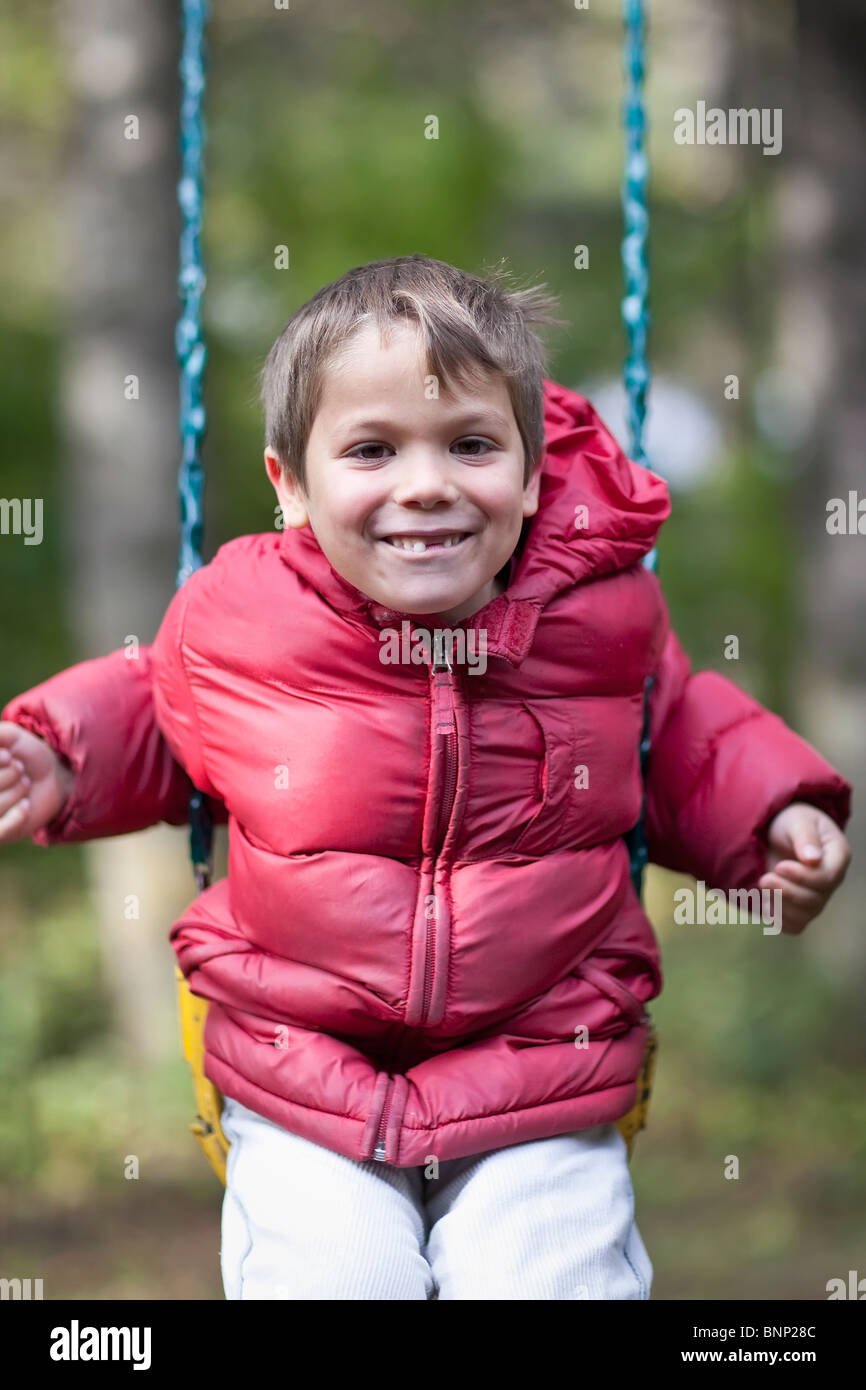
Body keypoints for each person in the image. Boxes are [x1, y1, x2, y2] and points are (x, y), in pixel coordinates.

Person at [0, 254, 852, 1300]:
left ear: (531, 472)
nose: (425, 483)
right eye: (370, 448)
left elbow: (674, 736)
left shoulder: (598, 618)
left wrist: (773, 816)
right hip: (303, 1067)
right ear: (292, 487)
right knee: (336, 1280)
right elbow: (154, 705)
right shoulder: (242, 618)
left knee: (550, 1280)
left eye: (470, 444)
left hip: (542, 1060)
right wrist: (54, 752)